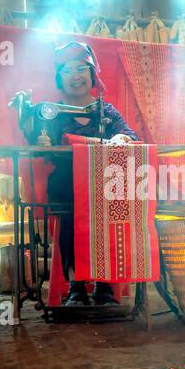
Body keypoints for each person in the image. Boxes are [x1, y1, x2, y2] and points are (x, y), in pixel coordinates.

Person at [30, 42, 138, 307]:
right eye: (68, 70)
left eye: (81, 69)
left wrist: (122, 136)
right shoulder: (51, 113)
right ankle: (76, 287)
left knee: (105, 217)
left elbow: (131, 137)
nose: (75, 75)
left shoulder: (106, 111)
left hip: (102, 184)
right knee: (71, 217)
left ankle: (104, 288)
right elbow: (37, 146)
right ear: (59, 76)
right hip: (67, 184)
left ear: (91, 75)